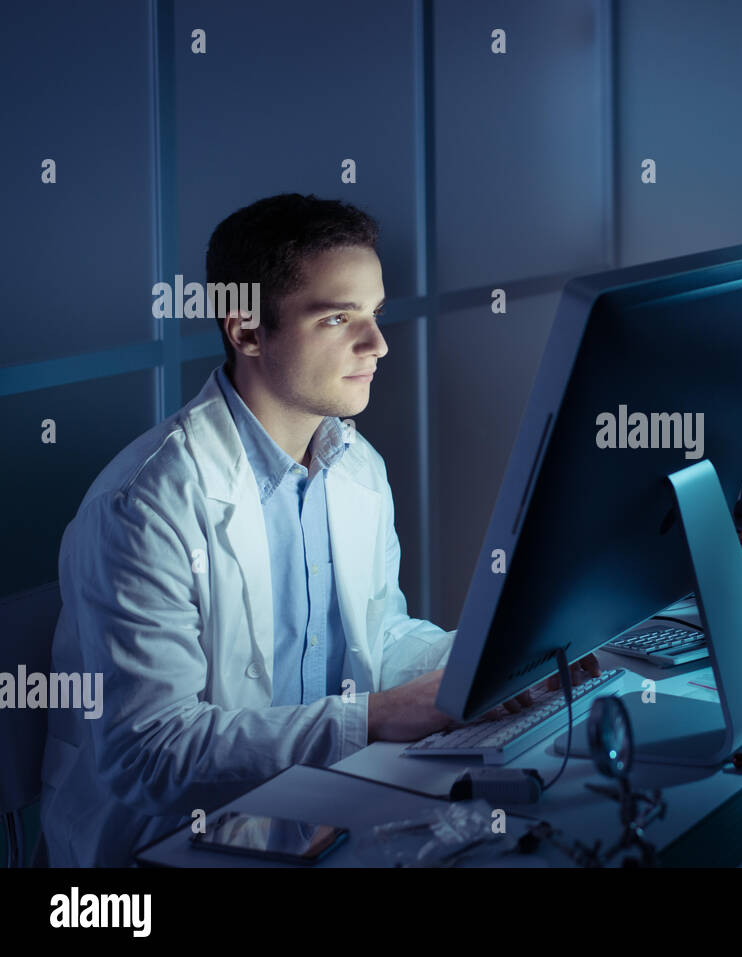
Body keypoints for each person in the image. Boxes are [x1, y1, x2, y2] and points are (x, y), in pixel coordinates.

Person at [40, 194, 594, 866]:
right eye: (338, 317)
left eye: (375, 313)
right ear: (245, 329)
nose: (378, 344)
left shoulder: (354, 465)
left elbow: (377, 638)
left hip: (316, 813)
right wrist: (373, 717)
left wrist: (482, 666)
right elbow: (148, 755)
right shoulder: (145, 503)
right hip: (165, 851)